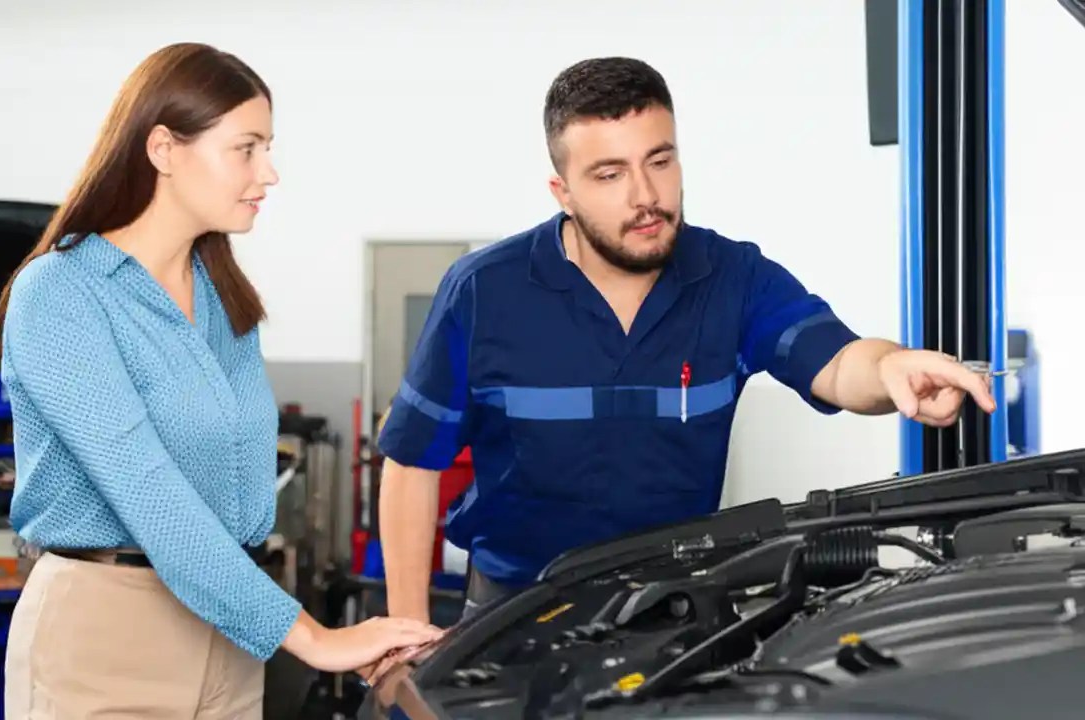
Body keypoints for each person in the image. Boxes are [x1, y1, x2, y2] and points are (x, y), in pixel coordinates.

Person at [375, 57, 997, 623]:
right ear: (562, 193)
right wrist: (405, 637)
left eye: (659, 161)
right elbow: (411, 465)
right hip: (513, 614)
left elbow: (834, 363)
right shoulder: (484, 291)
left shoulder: (734, 277)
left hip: (677, 612)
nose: (645, 197)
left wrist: (892, 367)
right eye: (610, 174)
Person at [0, 43, 440, 718]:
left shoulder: (222, 300)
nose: (269, 172)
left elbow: (231, 495)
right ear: (165, 148)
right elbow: (149, 492)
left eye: (269, 148)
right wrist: (314, 637)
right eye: (247, 148)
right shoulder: (60, 294)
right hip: (104, 635)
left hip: (229, 627)